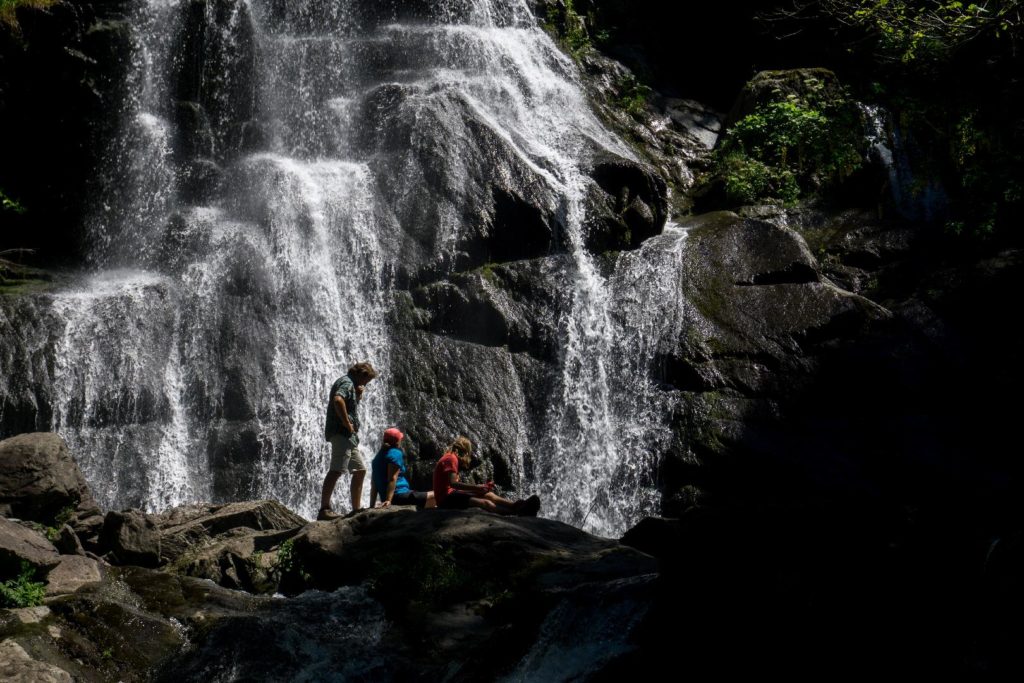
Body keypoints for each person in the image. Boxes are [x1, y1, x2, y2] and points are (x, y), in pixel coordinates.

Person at [319, 361, 378, 521]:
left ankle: (356, 509)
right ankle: (324, 509)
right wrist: (346, 423)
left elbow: (348, 403)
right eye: (367, 380)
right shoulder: (346, 382)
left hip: (349, 437)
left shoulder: (351, 384)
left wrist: (358, 395)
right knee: (336, 470)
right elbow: (338, 399)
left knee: (360, 471)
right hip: (342, 433)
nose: (366, 383)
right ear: (361, 374)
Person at [432, 436, 540, 516]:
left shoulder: (450, 457)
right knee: (485, 503)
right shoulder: (451, 459)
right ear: (464, 451)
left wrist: (480, 488)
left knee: (489, 494)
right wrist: (477, 488)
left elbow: (452, 486)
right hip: (445, 499)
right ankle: (515, 512)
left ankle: (514, 505)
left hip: (451, 494)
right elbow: (454, 484)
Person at [369, 427, 436, 509]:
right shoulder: (395, 453)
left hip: (398, 496)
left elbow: (374, 483)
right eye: (400, 439)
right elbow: (392, 478)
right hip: (399, 496)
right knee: (439, 494)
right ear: (397, 441)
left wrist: (371, 505)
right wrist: (388, 500)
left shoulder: (377, 458)